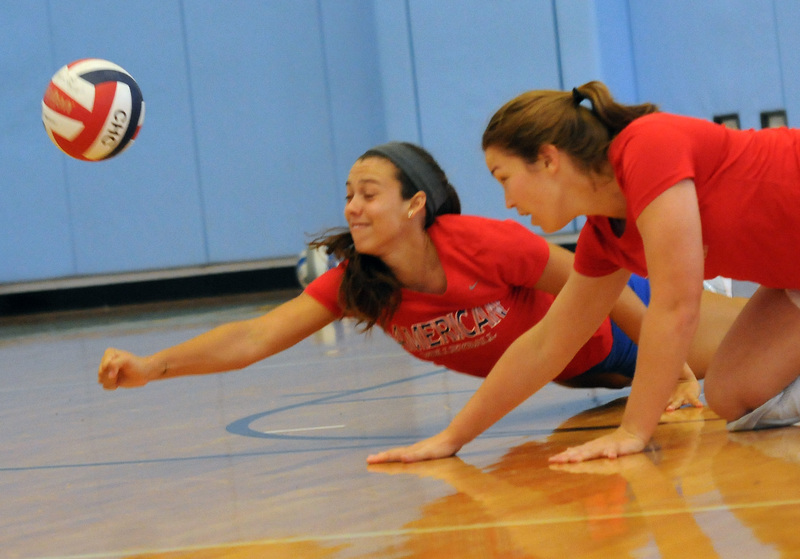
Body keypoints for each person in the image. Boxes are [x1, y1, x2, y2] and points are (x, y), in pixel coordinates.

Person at [97, 141, 743, 449]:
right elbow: (254, 336)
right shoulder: (361, 285)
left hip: (628, 310)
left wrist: (677, 367)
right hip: (580, 368)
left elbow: (592, 281)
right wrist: (151, 367)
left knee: (760, 358)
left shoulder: (479, 241)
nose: (351, 205)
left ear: (414, 204)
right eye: (348, 192)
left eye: (368, 192)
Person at [367, 82, 800, 466]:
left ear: (548, 159)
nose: (507, 201)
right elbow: (547, 343)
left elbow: (676, 306)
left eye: (504, 177)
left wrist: (634, 430)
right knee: (734, 395)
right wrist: (451, 438)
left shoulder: (648, 146)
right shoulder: (604, 237)